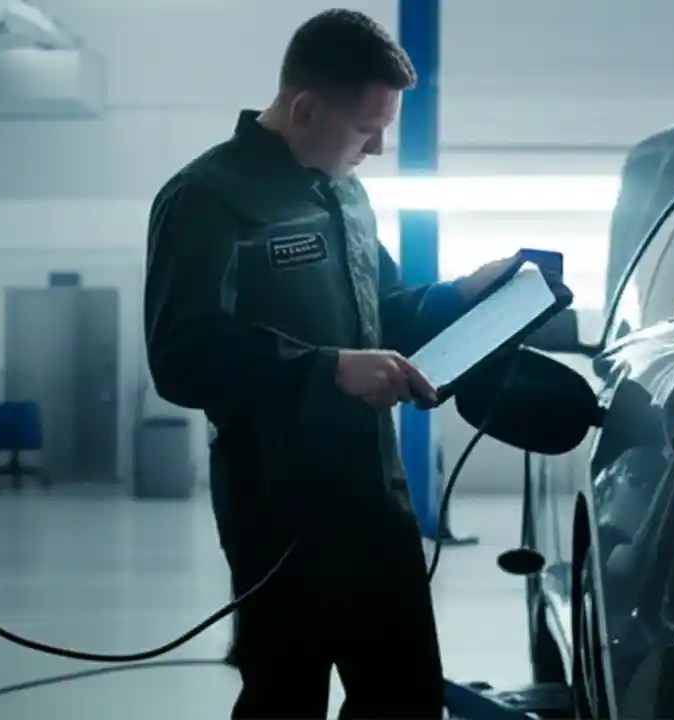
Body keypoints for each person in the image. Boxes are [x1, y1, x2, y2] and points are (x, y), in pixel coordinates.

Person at [143, 9, 528, 719]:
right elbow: (180, 355)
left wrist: (461, 295)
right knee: (285, 699)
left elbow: (382, 314)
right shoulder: (206, 200)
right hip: (279, 509)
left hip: (376, 501)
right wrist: (326, 370)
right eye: (367, 128)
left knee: (405, 698)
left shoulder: (346, 194)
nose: (378, 148)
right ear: (306, 108)